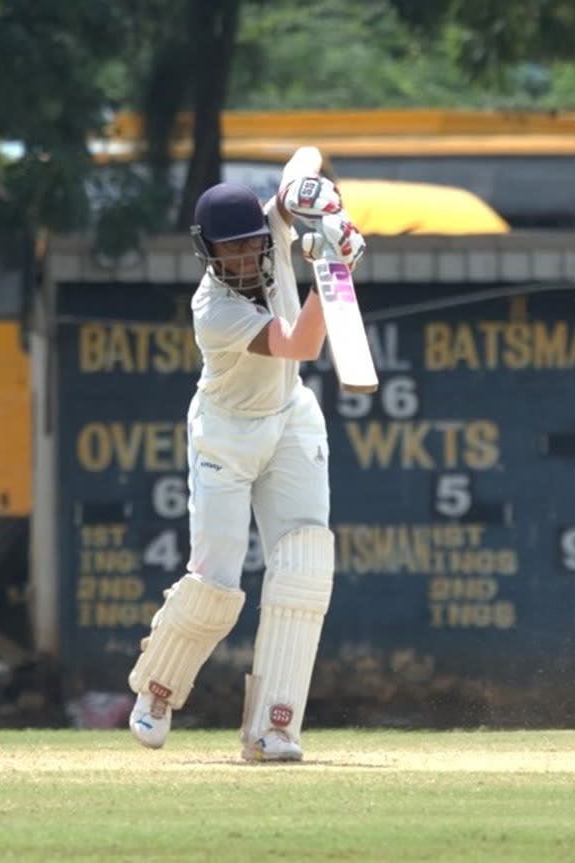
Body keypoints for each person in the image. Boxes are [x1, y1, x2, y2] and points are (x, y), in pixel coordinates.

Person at [124, 148, 366, 762]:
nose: (241, 258)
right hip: (225, 435)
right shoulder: (215, 310)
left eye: (249, 245)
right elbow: (302, 343)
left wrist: (314, 197)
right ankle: (158, 687)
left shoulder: (271, 227)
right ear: (207, 252)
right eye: (227, 250)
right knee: (217, 587)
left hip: (289, 418)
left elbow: (302, 164)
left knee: (305, 566)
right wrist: (333, 264)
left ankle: (273, 728)